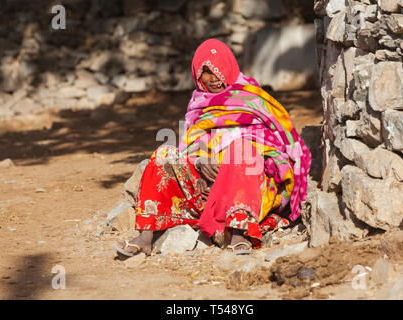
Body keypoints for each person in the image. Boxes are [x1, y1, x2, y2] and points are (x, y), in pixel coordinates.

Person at [114, 39, 311, 257]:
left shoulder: (252, 97)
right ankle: (145, 236)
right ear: (197, 75)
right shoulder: (199, 103)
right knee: (164, 154)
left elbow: (281, 142)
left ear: (229, 66)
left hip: (249, 185)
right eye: (205, 72)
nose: (214, 78)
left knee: (242, 150)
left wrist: (230, 159)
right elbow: (190, 144)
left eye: (218, 69)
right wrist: (200, 160)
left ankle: (239, 233)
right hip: (205, 188)